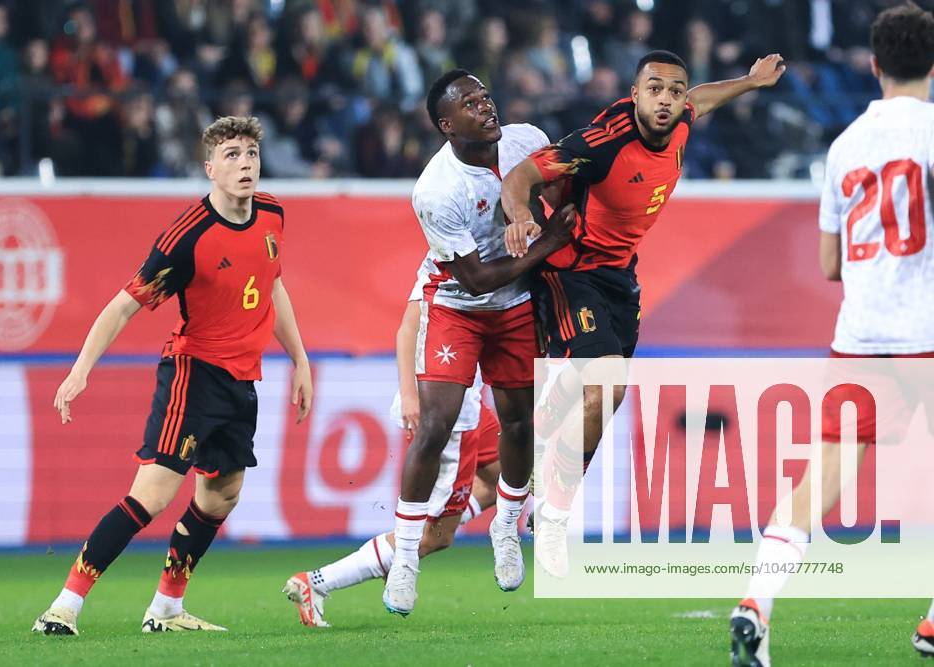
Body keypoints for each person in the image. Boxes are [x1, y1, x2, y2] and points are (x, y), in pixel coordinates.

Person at [500, 49, 786, 578]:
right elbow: (520, 176)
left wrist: (748, 83)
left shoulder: (679, 121)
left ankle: (549, 481)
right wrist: (520, 218)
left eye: (674, 92)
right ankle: (553, 515)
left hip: (619, 277)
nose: (667, 100)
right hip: (572, 268)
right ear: (634, 94)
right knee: (604, 383)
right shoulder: (602, 144)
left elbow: (703, 98)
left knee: (606, 392)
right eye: (654, 89)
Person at [32, 116, 312, 636]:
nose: (245, 163)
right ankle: (64, 605)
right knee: (152, 497)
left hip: (242, 382)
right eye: (231, 154)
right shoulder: (188, 237)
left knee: (221, 496)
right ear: (209, 169)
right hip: (193, 374)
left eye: (250, 152)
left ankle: (165, 610)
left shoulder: (272, 213)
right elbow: (122, 307)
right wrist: (80, 371)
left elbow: (273, 286)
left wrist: (299, 359)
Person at [728, 4, 934, 665]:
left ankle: (757, 599)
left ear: (873, 65)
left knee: (820, 480)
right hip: (927, 330)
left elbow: (828, 263)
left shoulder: (845, 145)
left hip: (862, 335)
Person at [383, 68, 575, 617]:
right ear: (447, 125)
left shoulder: (528, 141)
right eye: (470, 103)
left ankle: (507, 528)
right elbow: (475, 279)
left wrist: (545, 216)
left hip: (515, 306)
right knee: (436, 424)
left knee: (519, 422)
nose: (486, 106)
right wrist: (550, 241)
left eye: (487, 96)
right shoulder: (436, 191)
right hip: (458, 307)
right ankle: (405, 561)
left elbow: (562, 185)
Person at [284, 263, 501, 627]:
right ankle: (319, 582)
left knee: (508, 477)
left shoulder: (473, 252)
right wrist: (409, 395)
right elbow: (409, 328)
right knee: (438, 536)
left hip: (471, 399)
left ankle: (401, 549)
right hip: (451, 412)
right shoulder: (449, 256)